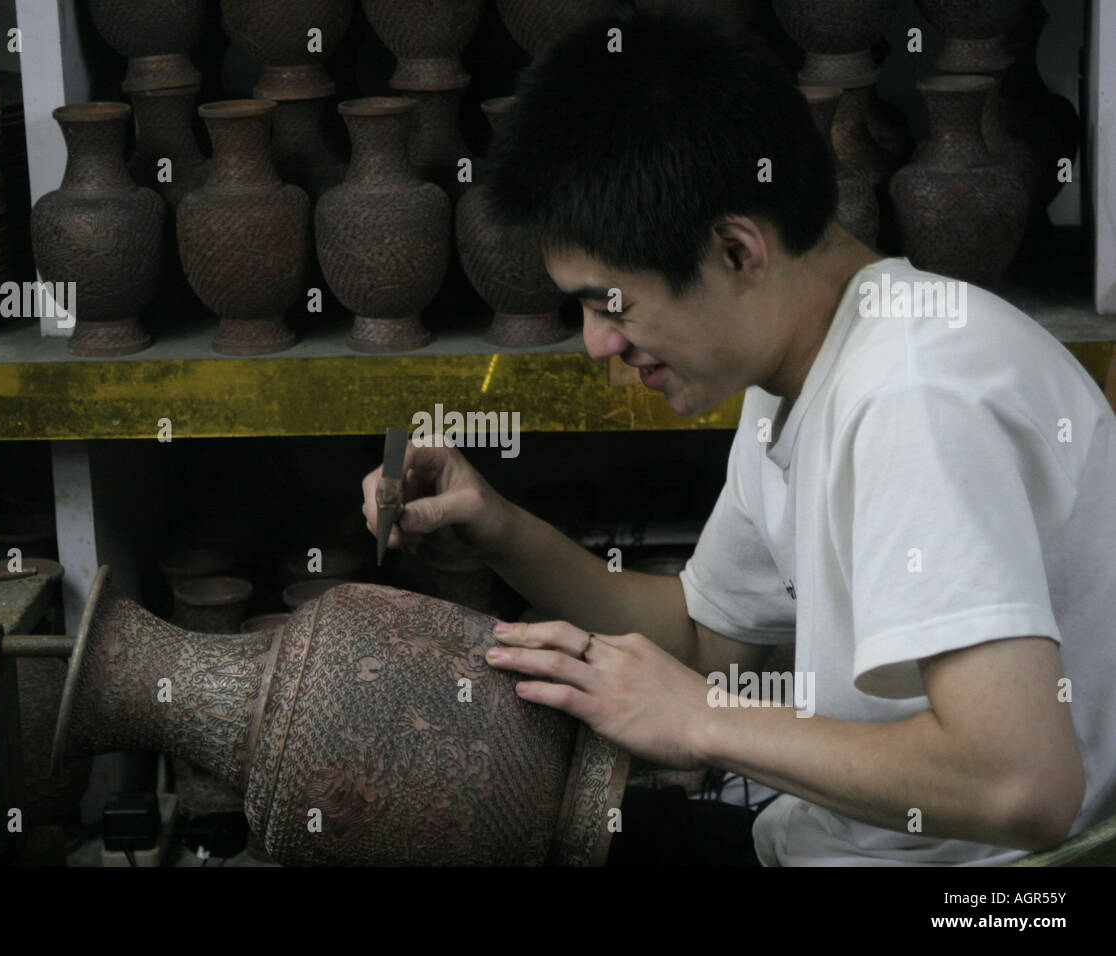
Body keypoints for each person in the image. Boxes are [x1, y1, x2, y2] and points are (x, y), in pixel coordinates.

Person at [361, 8, 1116, 865]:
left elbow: (1022, 786)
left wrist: (705, 722)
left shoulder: (916, 395)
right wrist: (497, 525)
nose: (598, 342)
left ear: (735, 250)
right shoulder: (803, 364)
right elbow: (706, 639)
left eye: (611, 302)